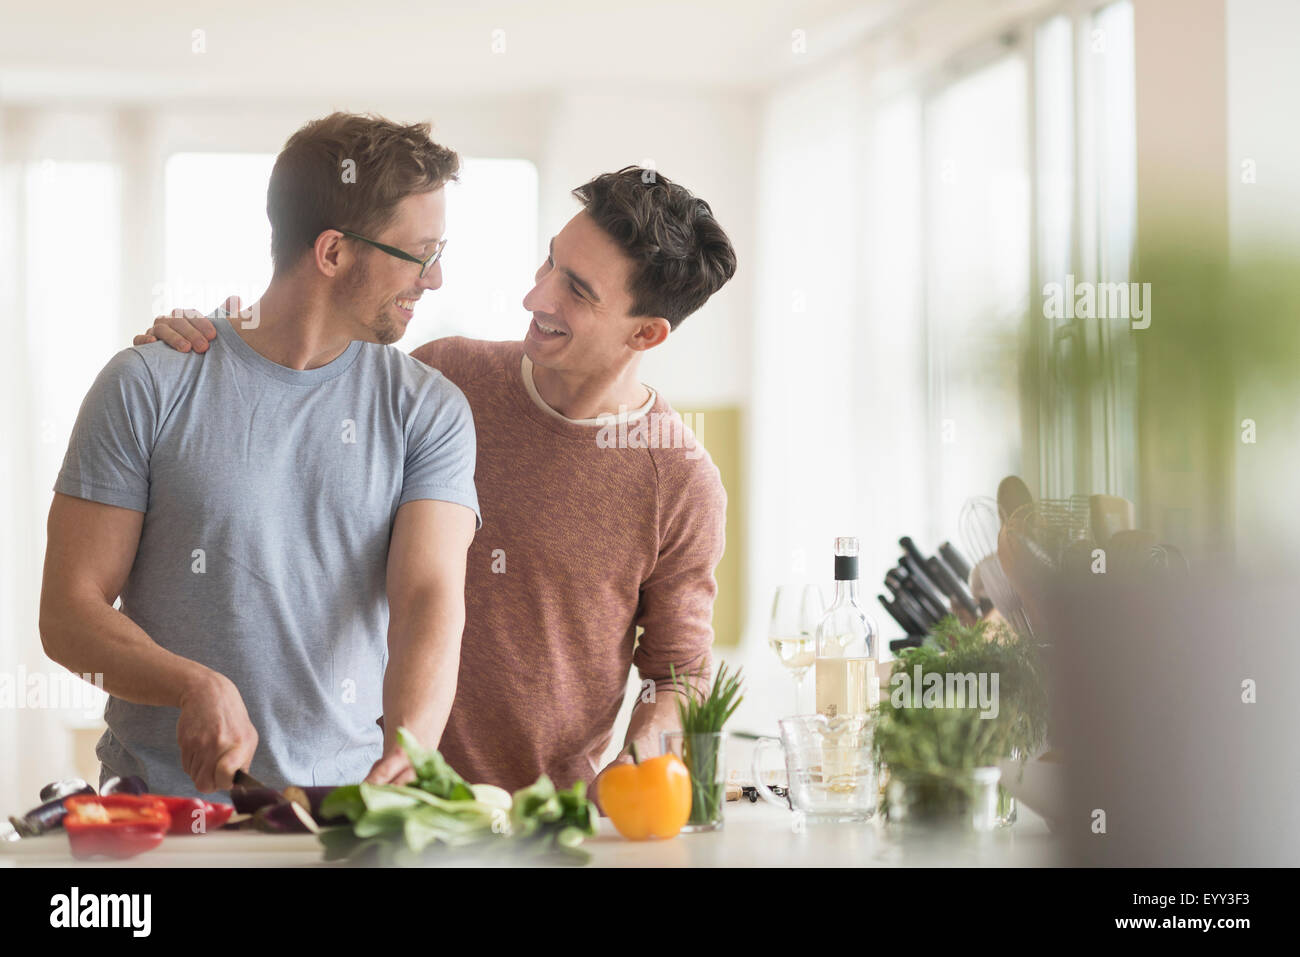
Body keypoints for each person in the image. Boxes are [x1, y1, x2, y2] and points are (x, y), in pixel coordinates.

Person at [138, 166, 737, 802]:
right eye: (550, 264)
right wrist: (222, 344)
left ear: (645, 333)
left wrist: (636, 764)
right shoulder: (446, 377)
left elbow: (678, 671)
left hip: (529, 817)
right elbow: (305, 392)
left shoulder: (679, 482)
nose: (536, 298)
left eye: (578, 291)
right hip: (364, 789)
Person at [40, 113, 481, 797]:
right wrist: (192, 684)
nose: (437, 277)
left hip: (338, 813)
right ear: (332, 252)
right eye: (420, 253)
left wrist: (410, 747)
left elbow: (427, 596)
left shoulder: (430, 410)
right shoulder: (149, 381)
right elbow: (69, 612)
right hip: (160, 813)